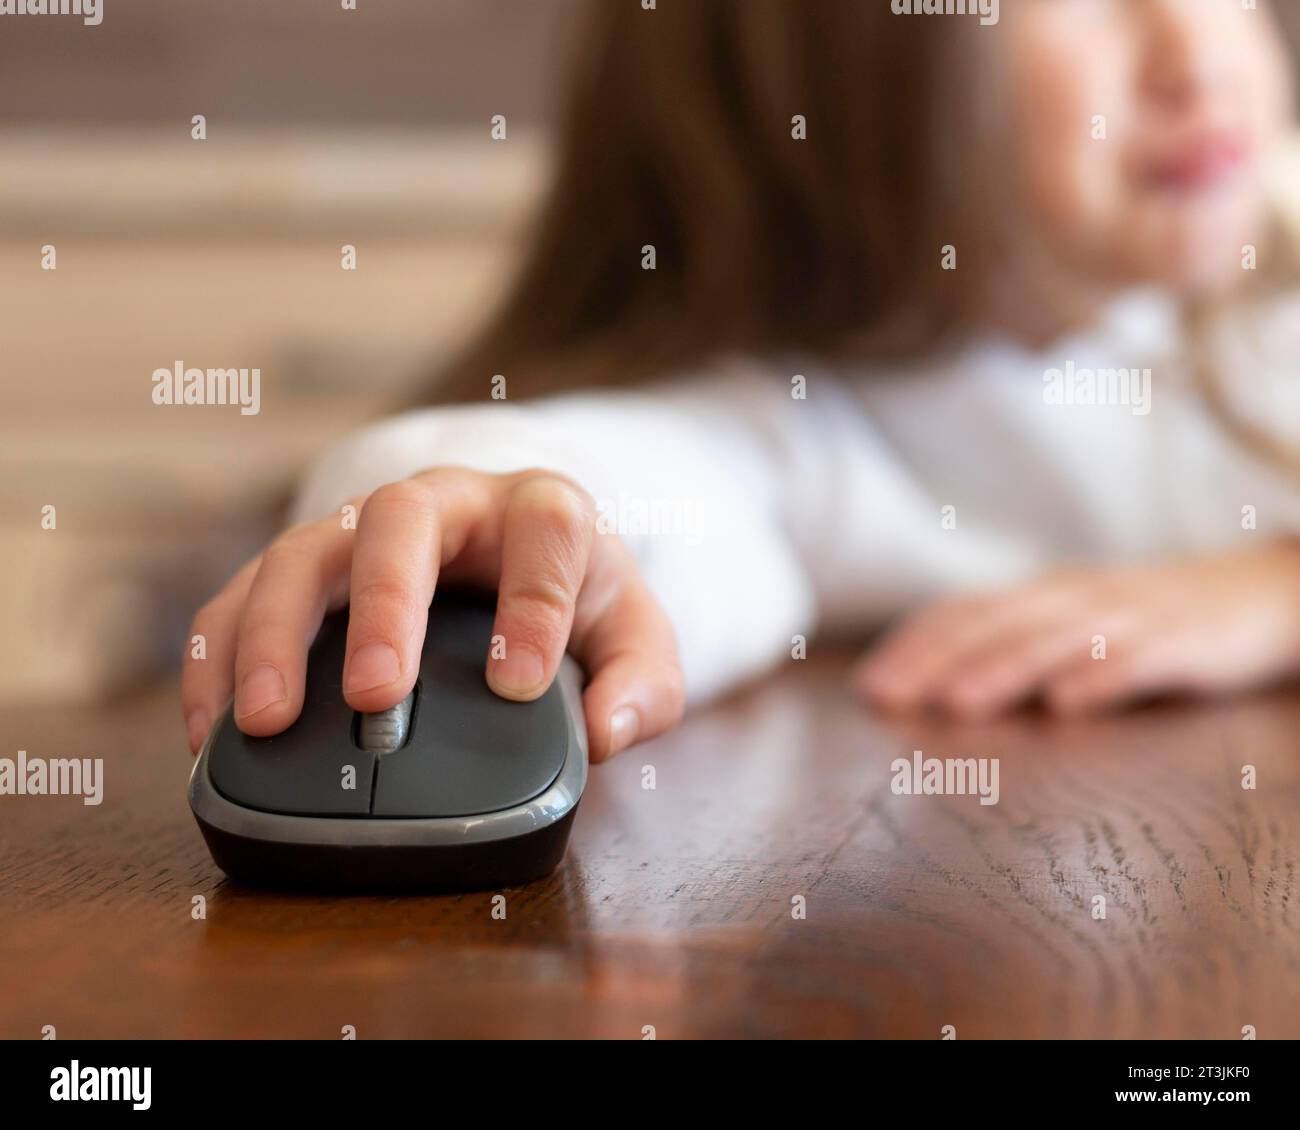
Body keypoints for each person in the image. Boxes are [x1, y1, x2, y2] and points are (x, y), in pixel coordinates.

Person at [182, 1, 1300, 763]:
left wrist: (1274, 590)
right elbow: (633, 483)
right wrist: (470, 499)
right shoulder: (811, 425)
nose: (1194, 55)